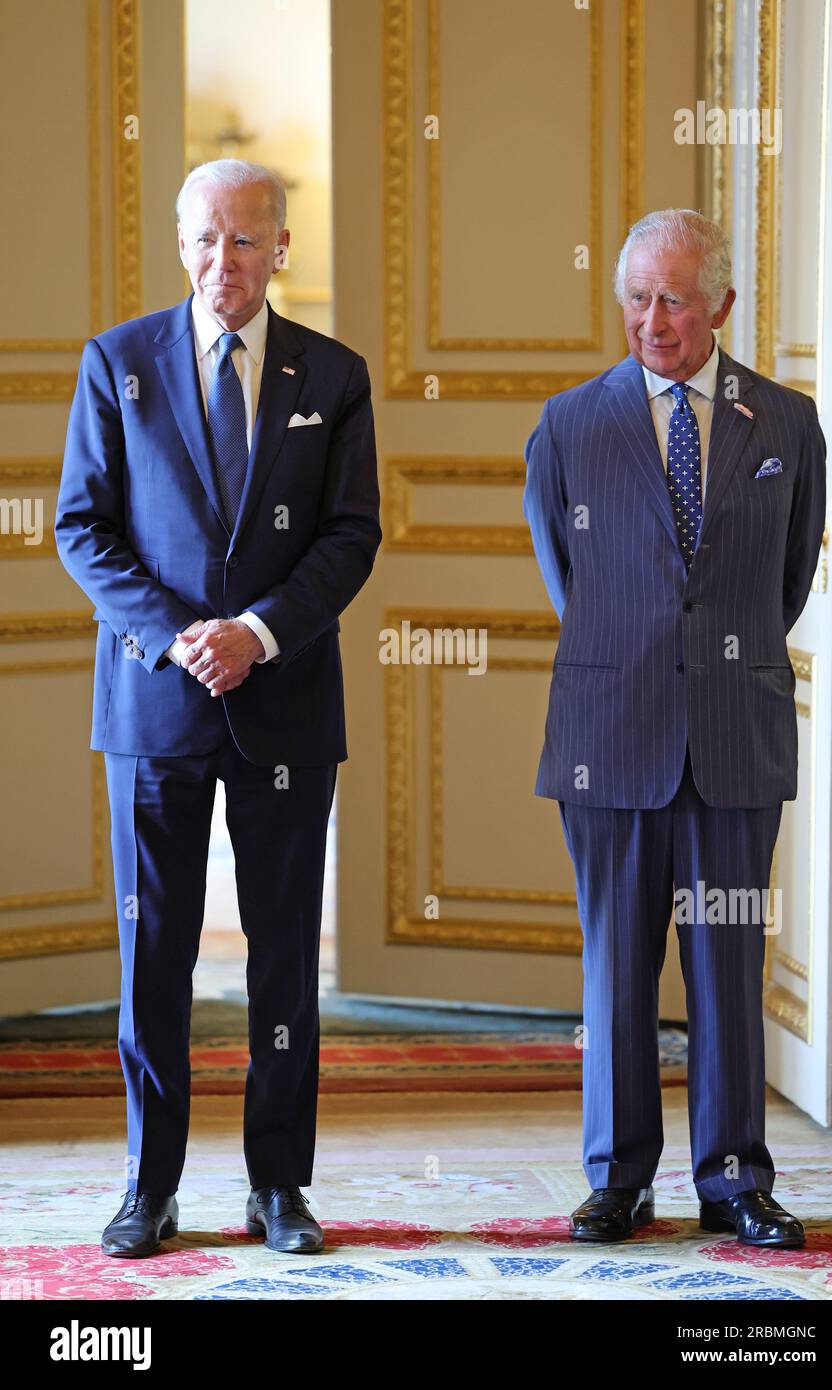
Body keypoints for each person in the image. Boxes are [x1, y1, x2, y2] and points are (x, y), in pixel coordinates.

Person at [55, 158, 381, 1257]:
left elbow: (350, 534)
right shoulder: (118, 363)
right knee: (157, 956)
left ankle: (277, 1189)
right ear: (179, 241)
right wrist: (177, 636)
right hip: (155, 710)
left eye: (245, 239)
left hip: (285, 704)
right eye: (204, 238)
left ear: (281, 247)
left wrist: (259, 633)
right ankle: (149, 1188)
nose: (221, 261)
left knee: (285, 955)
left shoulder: (333, 376)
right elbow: (83, 527)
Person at [523, 208, 825, 1248]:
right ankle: (617, 1180)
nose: (653, 320)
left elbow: (785, 583)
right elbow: (571, 584)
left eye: (676, 301)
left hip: (733, 737)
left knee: (726, 965)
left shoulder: (784, 423)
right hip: (607, 733)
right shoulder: (567, 425)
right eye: (637, 299)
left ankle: (734, 1180)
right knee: (613, 966)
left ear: (721, 307)